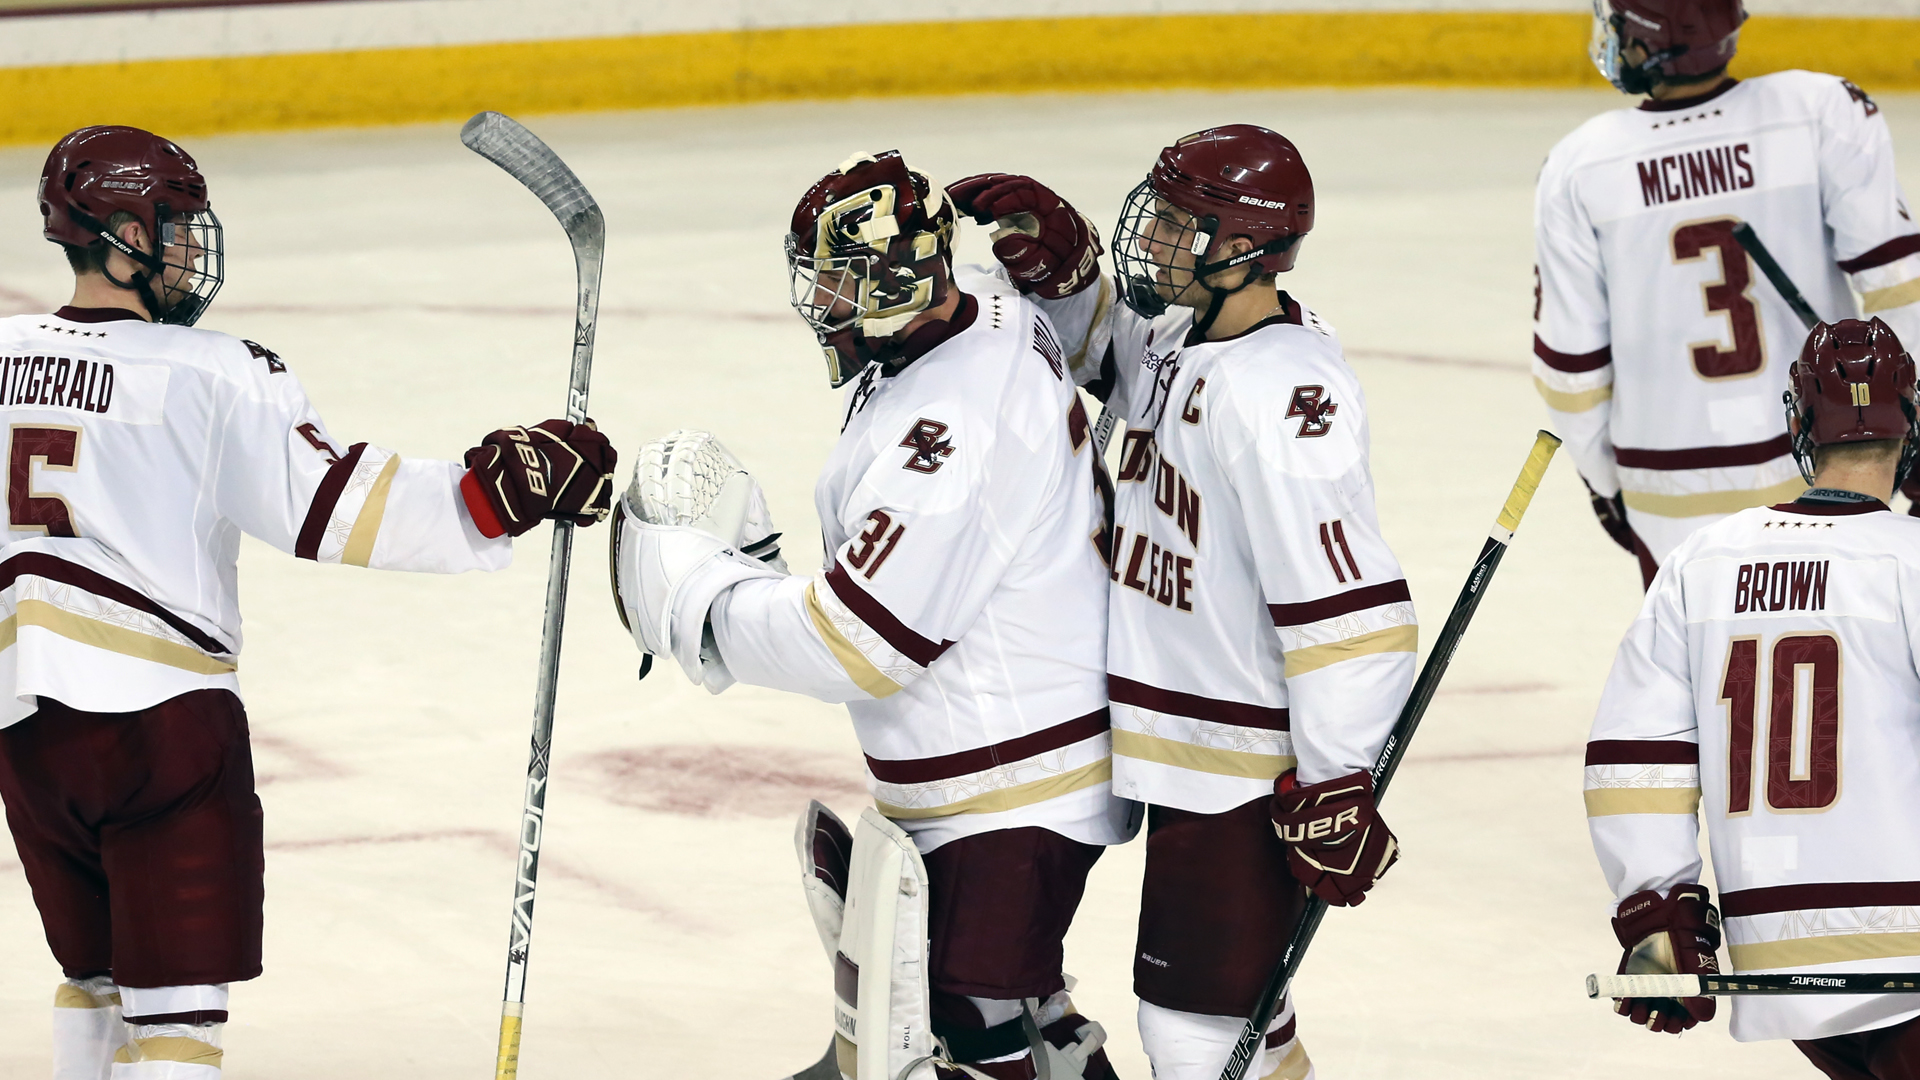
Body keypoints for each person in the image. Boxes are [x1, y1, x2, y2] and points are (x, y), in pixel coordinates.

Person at [0, 125, 615, 1080]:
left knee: (96, 976)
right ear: (125, 236)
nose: (188, 250)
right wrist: (498, 492)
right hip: (162, 732)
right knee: (176, 1023)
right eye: (174, 229)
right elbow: (334, 508)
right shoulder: (213, 373)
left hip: (25, 734)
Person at [609, 150, 1131, 1080]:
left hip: (1013, 782)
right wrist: (1079, 289)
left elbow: (859, 644)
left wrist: (702, 603)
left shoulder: (951, 434)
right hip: (1026, 743)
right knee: (1011, 1014)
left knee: (982, 1033)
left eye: (838, 281)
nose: (820, 301)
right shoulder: (984, 304)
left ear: (894, 284)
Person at [948, 124, 1418, 1080]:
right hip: (1181, 743)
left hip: (1245, 765)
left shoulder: (1285, 397)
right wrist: (1066, 277)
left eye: (1178, 222)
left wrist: (1337, 782)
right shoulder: (1191, 335)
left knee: (1199, 1036)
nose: (1152, 235)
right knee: (1225, 1027)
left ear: (1242, 246)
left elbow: (1349, 612)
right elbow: (1115, 358)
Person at [1584, 316, 1920, 1077]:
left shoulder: (1701, 562)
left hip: (1780, 959)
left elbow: (1634, 754)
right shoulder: (1909, 561)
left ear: (1799, 423)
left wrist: (1656, 914)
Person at [1534, 0, 1920, 586]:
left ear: (1645, 41)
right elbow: (1902, 292)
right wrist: (1905, 426)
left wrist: (1608, 485)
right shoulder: (1819, 110)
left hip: (1670, 489)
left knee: (1704, 648)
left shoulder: (1579, 165)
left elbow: (1572, 374)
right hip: (1834, 460)